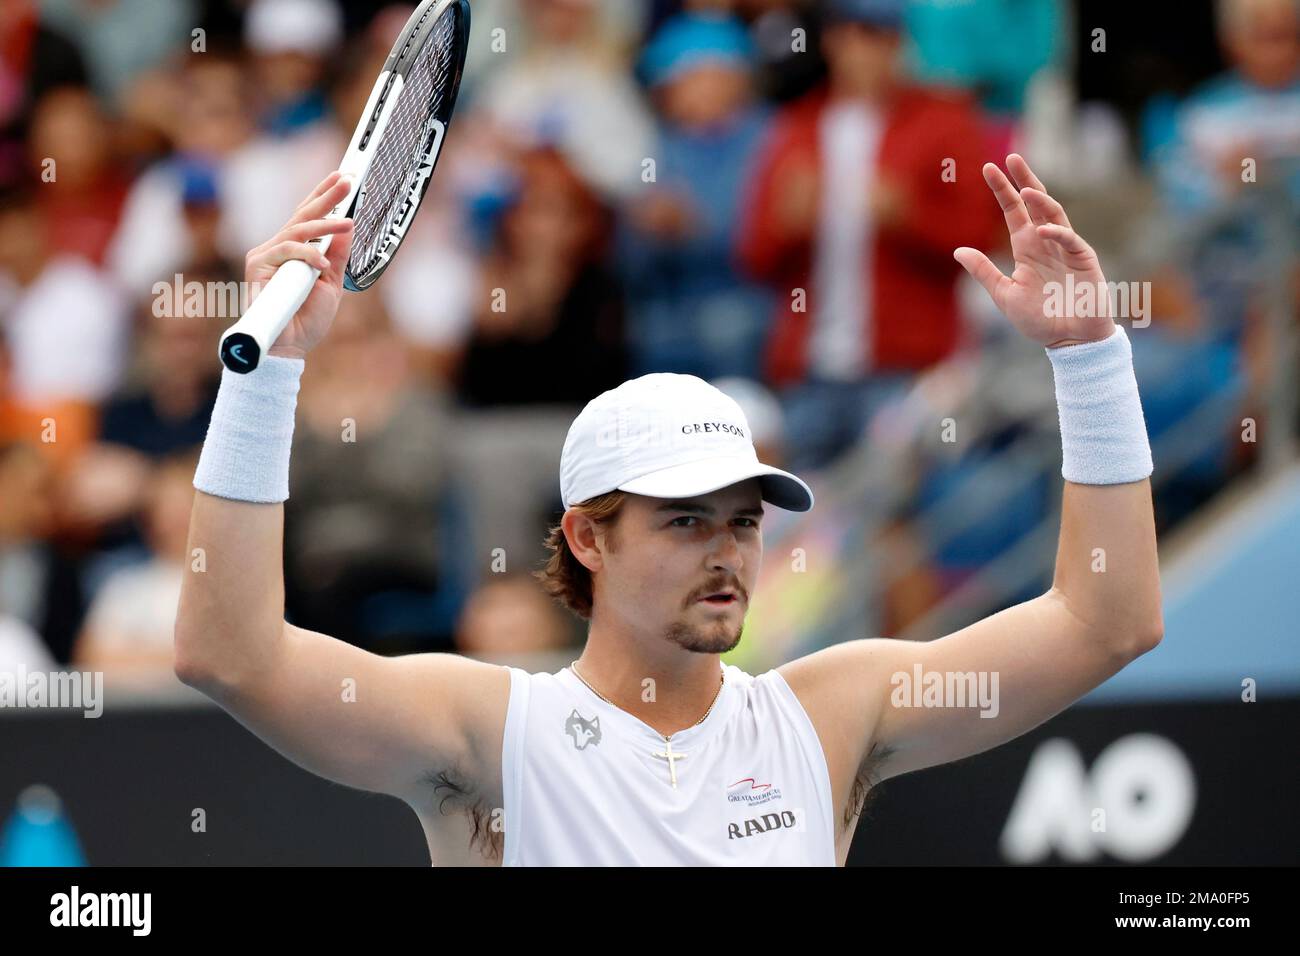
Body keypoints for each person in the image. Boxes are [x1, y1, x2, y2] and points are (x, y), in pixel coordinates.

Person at [175, 156, 1164, 866]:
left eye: (741, 518)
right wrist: (268, 374)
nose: (726, 549)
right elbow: (230, 655)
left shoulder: (829, 713)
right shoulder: (487, 730)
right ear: (585, 535)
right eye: (684, 519)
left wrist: (1088, 360)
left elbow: (1104, 620)